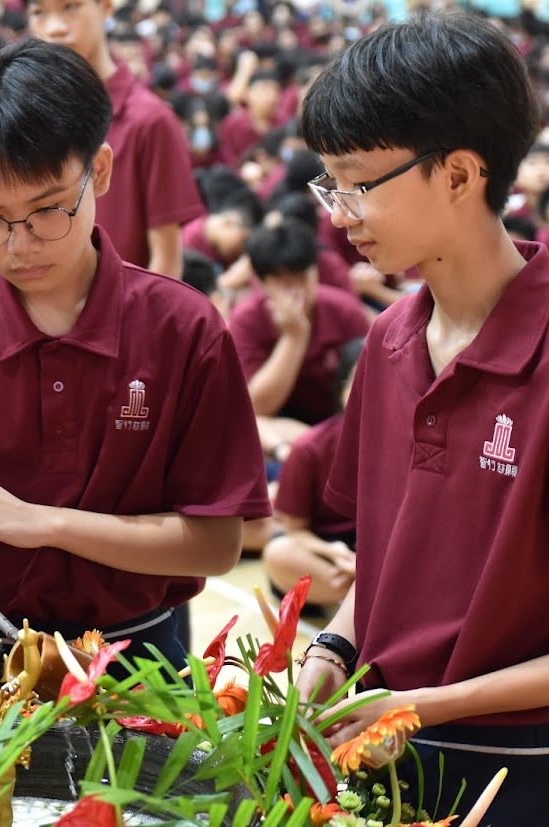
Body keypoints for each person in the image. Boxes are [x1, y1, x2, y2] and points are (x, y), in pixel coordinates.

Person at [0, 39, 268, 666]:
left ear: (98, 170)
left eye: (48, 209)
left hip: (135, 658)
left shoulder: (183, 328)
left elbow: (214, 546)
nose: (20, 245)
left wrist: (42, 522)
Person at [293, 12, 549, 822]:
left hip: (519, 770)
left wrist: (426, 707)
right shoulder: (387, 340)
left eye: (357, 183)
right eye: (326, 183)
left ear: (460, 174)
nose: (338, 213)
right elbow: (387, 559)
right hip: (379, 748)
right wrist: (331, 650)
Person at [26, 0, 204, 278]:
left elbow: (166, 261)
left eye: (70, 7)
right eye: (39, 12)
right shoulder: (28, 116)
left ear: (105, 6)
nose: (55, 28)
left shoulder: (149, 120)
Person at [229, 220, 369, 428]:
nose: (297, 290)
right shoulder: (246, 320)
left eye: (303, 277)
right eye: (284, 281)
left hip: (341, 425)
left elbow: (371, 390)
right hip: (280, 430)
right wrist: (294, 337)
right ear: (261, 282)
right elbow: (255, 409)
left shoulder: (344, 311)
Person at [262, 336, 362, 609]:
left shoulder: (416, 444)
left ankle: (370, 593)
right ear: (342, 388)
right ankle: (365, 595)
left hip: (383, 554)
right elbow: (295, 531)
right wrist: (336, 554)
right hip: (328, 552)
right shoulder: (310, 448)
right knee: (280, 553)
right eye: (361, 379)